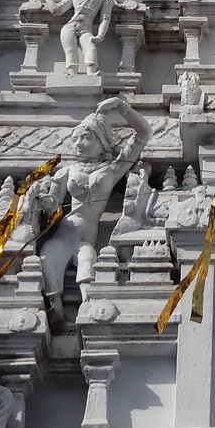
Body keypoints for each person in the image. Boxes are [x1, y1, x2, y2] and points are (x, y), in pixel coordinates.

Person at [37, 97, 153, 300]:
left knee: (87, 265)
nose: (78, 144)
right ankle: (55, 310)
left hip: (86, 239)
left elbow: (144, 133)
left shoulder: (111, 170)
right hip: (64, 235)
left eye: (85, 138)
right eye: (75, 139)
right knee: (47, 262)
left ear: (101, 142)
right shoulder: (67, 171)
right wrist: (46, 202)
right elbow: (53, 203)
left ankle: (88, 309)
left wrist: (121, 106)